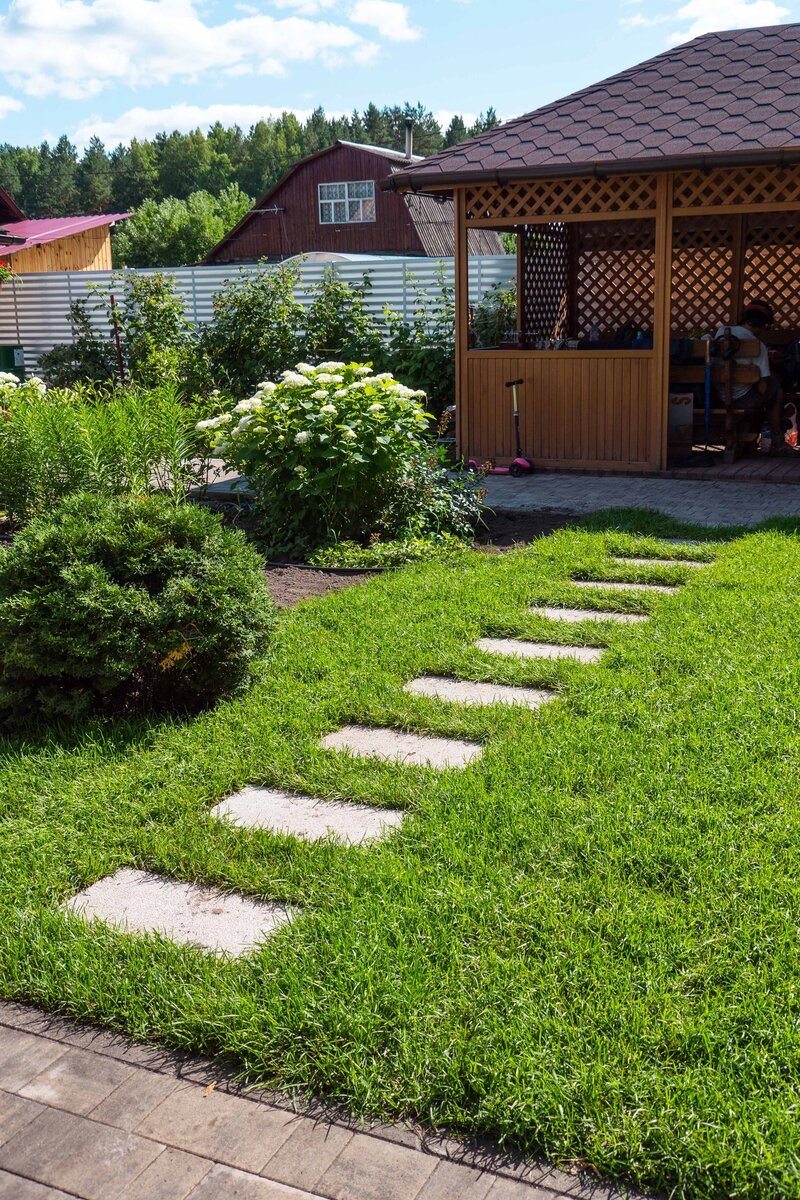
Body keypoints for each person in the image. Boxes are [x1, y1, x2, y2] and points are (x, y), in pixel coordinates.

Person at [715, 299, 786, 452]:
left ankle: (752, 439)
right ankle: (778, 441)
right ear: (763, 324)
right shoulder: (757, 345)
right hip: (741, 400)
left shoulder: (721, 332)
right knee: (776, 388)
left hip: (717, 396)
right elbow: (762, 389)